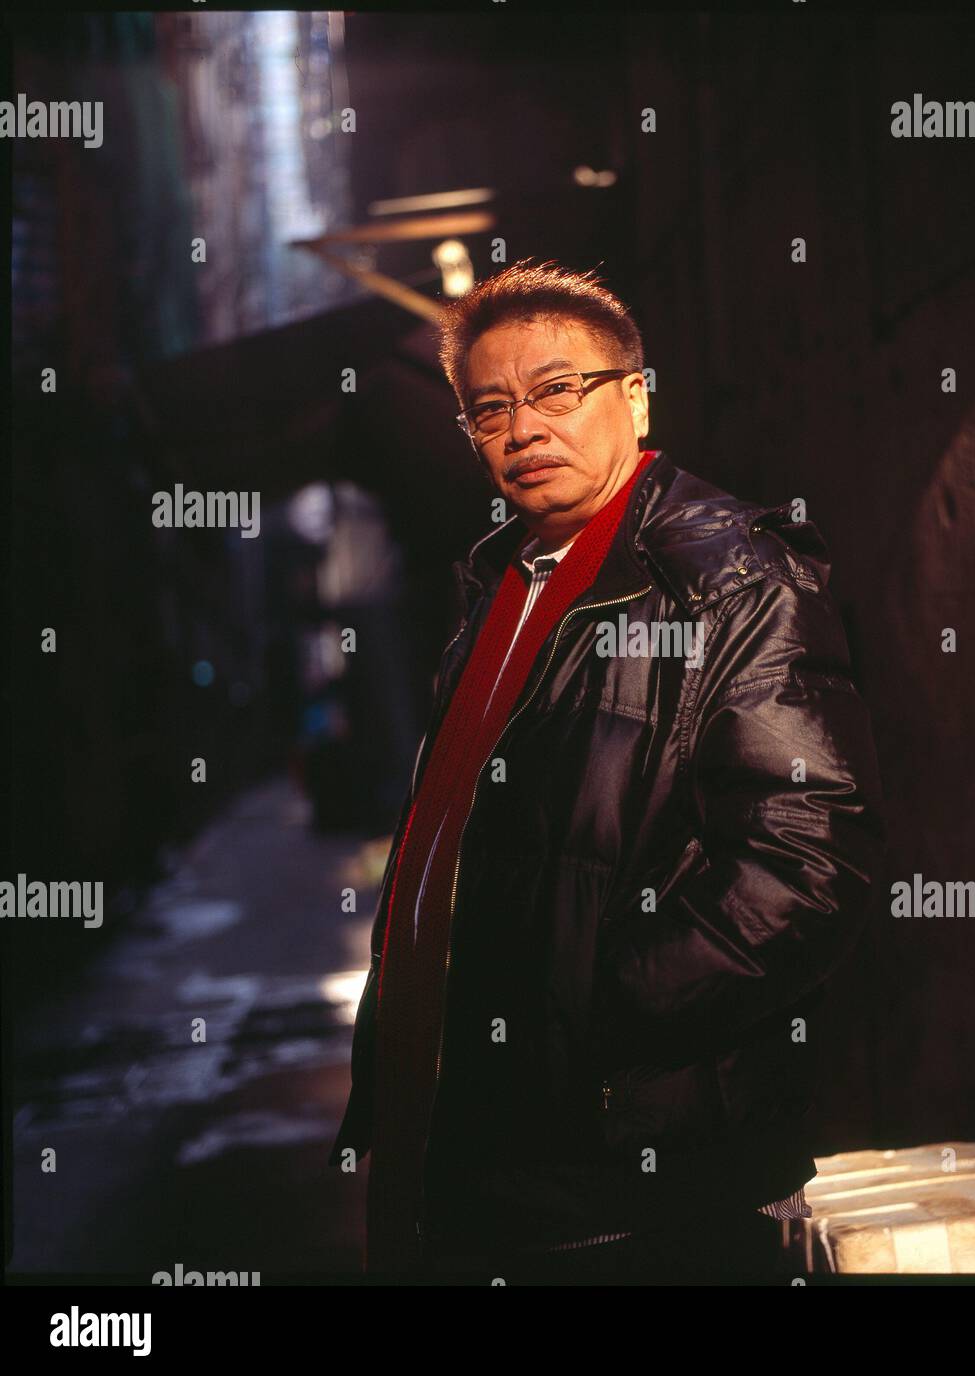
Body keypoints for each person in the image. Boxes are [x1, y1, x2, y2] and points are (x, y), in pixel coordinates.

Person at [327, 257, 887, 1284]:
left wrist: (585, 1026)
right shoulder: (497, 586)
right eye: (488, 408)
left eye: (554, 390)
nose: (522, 428)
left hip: (623, 1179)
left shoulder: (728, 575)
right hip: (461, 1155)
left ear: (634, 393)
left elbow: (807, 863)